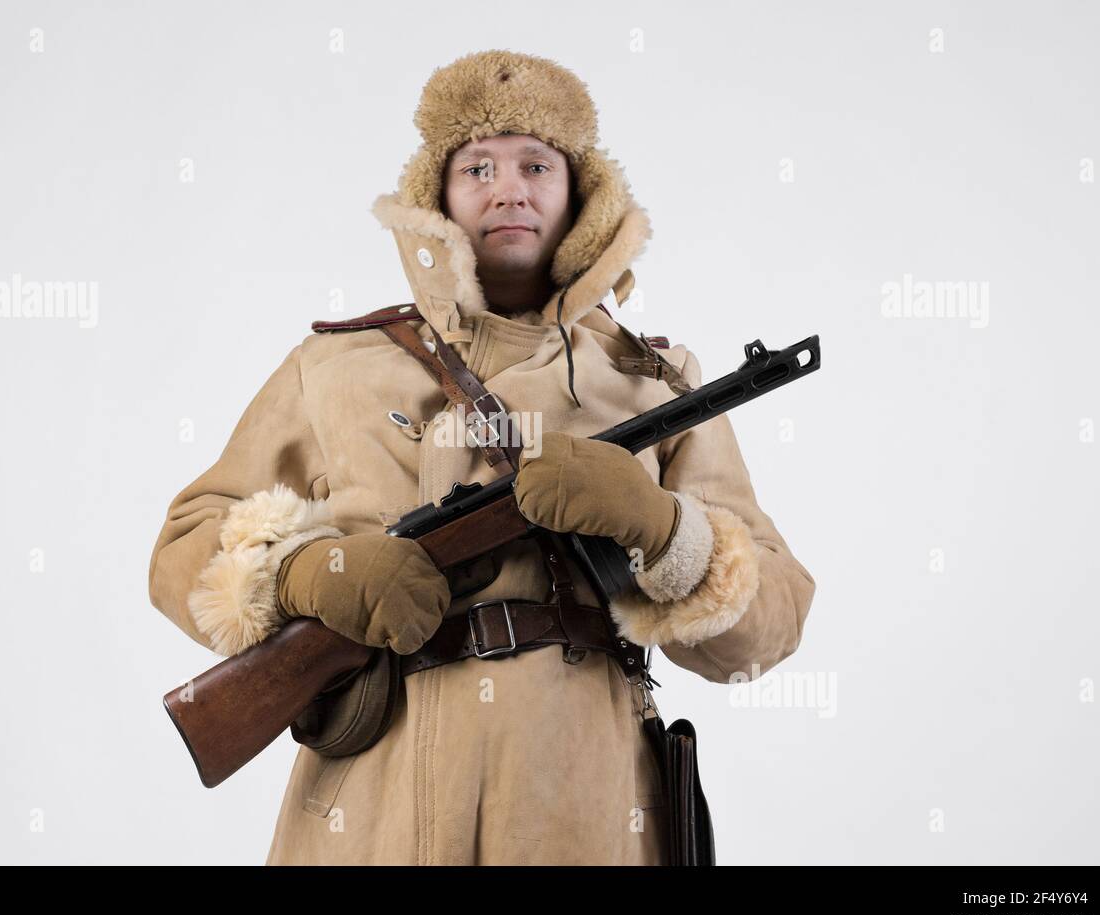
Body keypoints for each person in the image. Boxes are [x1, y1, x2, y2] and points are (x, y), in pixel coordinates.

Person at [147, 49, 816, 865]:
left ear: (580, 193)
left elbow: (768, 627)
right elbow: (186, 542)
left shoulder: (657, 382)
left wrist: (664, 528)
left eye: (537, 163)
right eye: (478, 166)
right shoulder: (330, 367)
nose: (510, 188)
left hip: (584, 808)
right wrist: (309, 572)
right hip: (372, 811)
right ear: (438, 194)